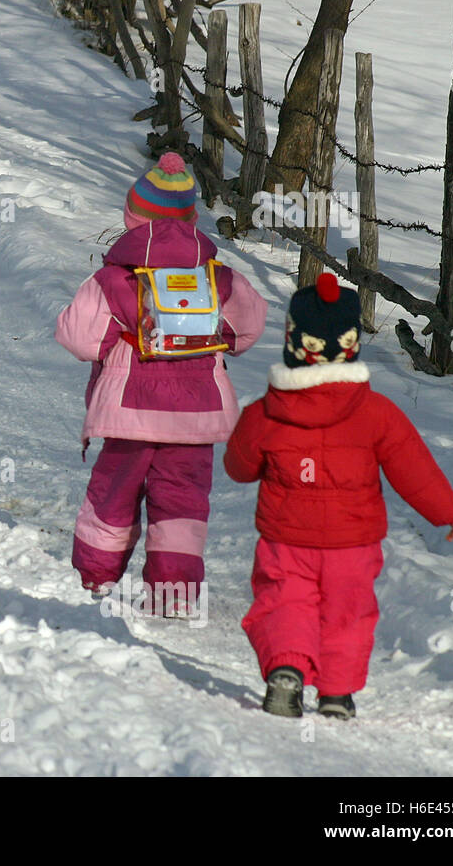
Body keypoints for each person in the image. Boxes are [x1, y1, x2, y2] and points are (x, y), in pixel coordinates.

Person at [224, 273, 453, 719]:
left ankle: (287, 671)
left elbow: (238, 469)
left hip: (285, 540)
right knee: (347, 613)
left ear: (295, 341)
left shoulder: (266, 412)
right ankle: (335, 694)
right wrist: (447, 511)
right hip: (352, 545)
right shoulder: (376, 412)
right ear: (351, 343)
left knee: (284, 601)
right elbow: (411, 467)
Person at [54, 152, 267, 613]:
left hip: (129, 413)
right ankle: (173, 592)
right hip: (196, 416)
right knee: (182, 501)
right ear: (192, 219)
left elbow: (79, 338)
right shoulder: (218, 278)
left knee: (114, 490)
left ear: (133, 219)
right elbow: (247, 330)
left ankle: (96, 577)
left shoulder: (114, 279)